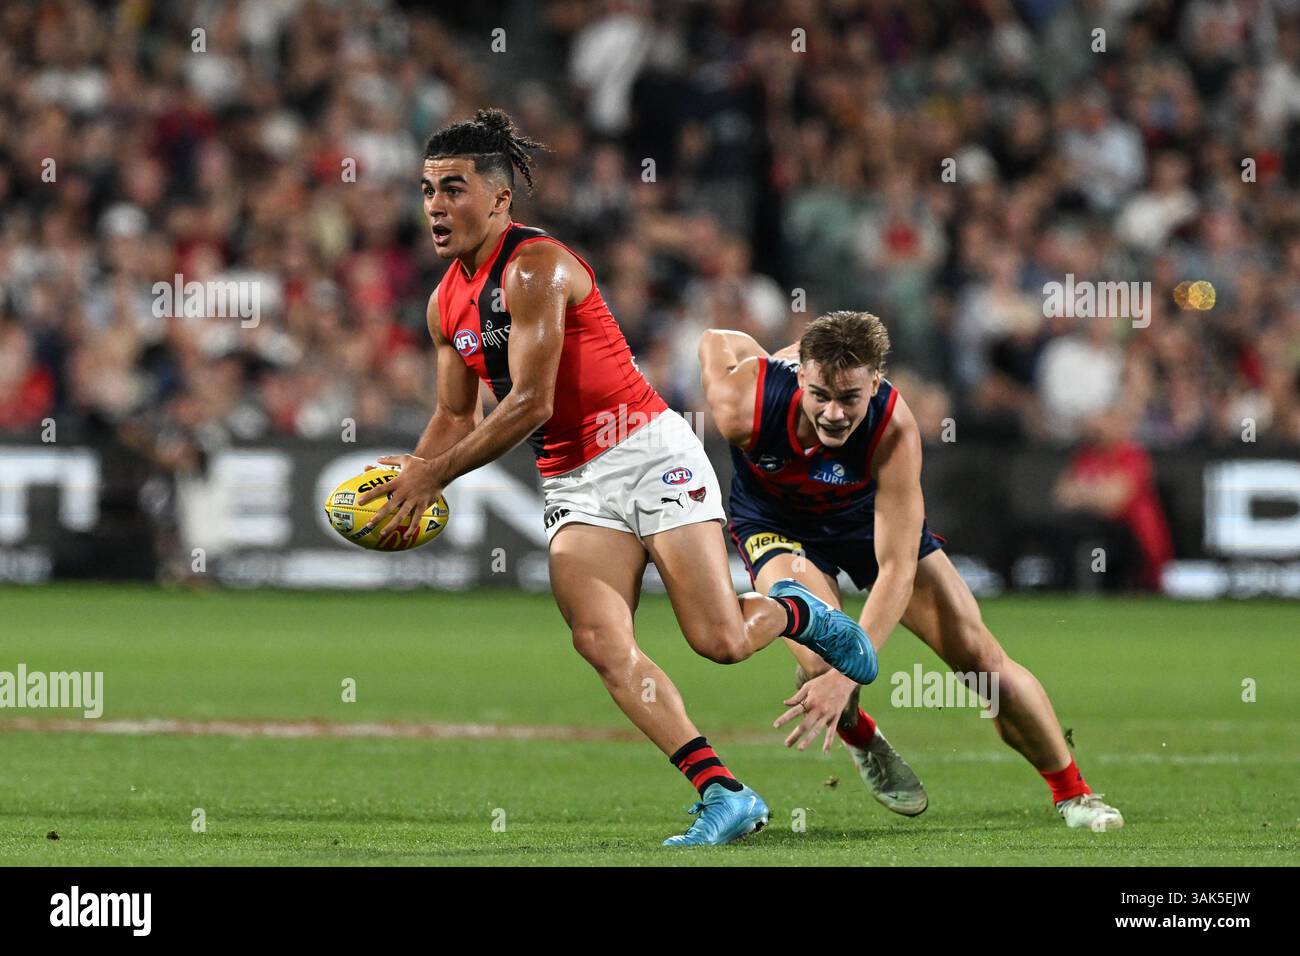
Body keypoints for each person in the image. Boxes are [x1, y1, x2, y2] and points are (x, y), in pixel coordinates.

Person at [357, 108, 878, 846]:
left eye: (453, 189)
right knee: (601, 640)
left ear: (501, 200)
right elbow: (453, 412)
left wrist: (432, 478)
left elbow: (531, 400)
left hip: (646, 451)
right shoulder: (446, 302)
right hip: (573, 480)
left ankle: (798, 610)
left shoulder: (536, 267)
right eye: (427, 190)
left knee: (720, 641)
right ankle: (723, 791)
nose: (436, 206)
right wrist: (412, 477)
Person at [698, 311, 1124, 830]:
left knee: (983, 663)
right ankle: (863, 739)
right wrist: (771, 354)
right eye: (821, 395)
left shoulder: (894, 428)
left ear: (874, 383)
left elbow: (896, 570)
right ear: (803, 377)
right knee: (818, 660)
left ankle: (1074, 793)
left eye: (850, 398)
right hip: (777, 525)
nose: (833, 413)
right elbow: (716, 338)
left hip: (863, 522)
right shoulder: (743, 405)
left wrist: (852, 672)